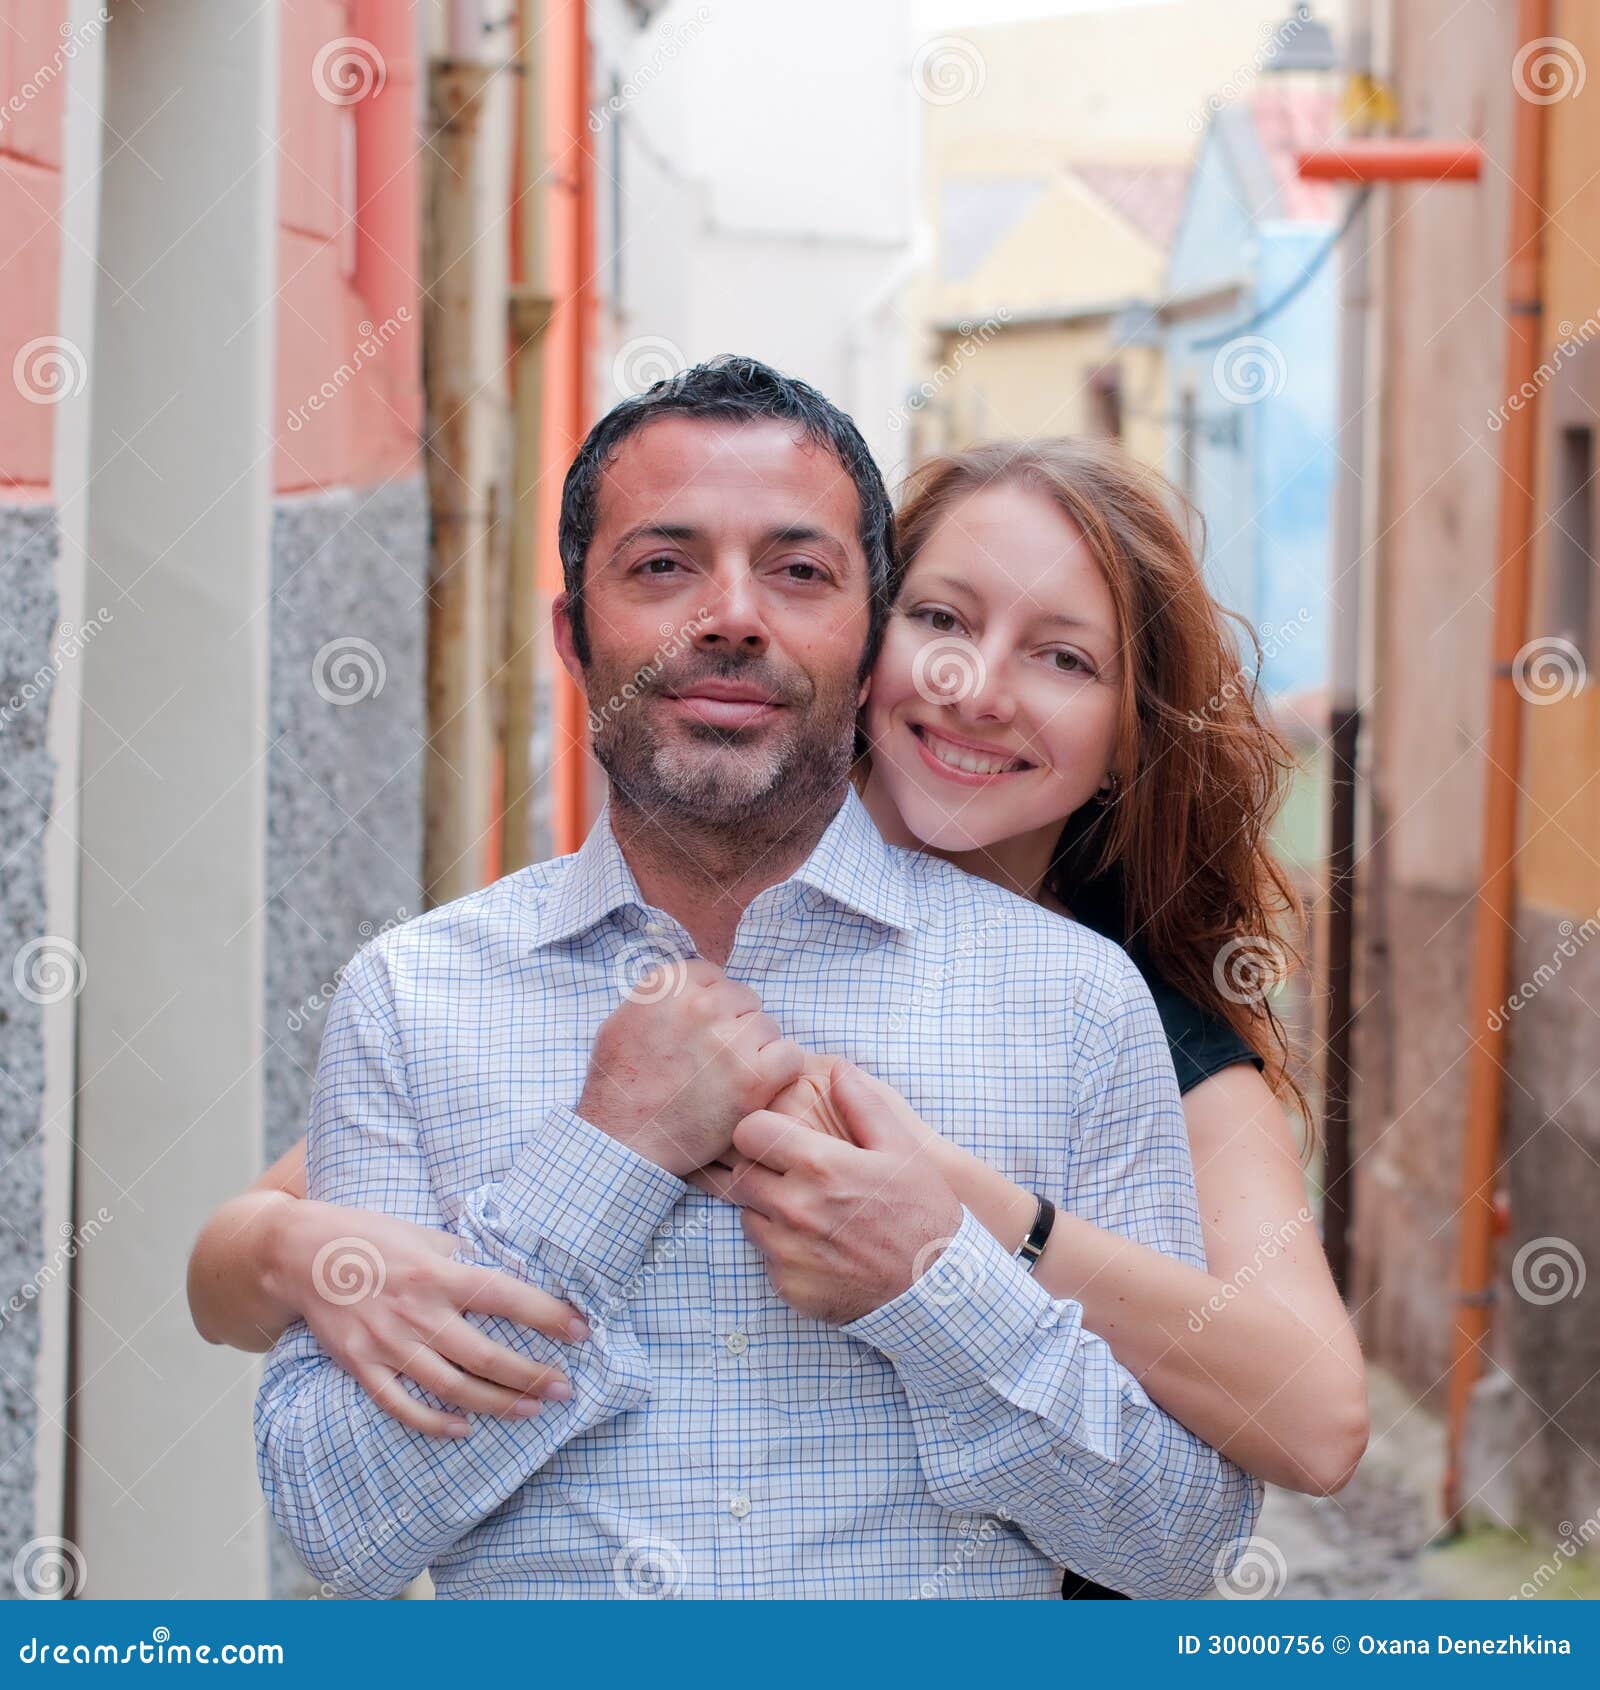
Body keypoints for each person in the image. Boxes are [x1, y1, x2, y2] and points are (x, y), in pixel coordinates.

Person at [245, 355, 1259, 1599]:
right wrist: (602, 1163)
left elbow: (1181, 1545)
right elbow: (342, 1527)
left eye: (798, 572)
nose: (731, 615)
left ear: (867, 635)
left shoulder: (1076, 1006)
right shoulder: (412, 998)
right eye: (664, 566)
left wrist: (932, 1283)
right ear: (575, 633)